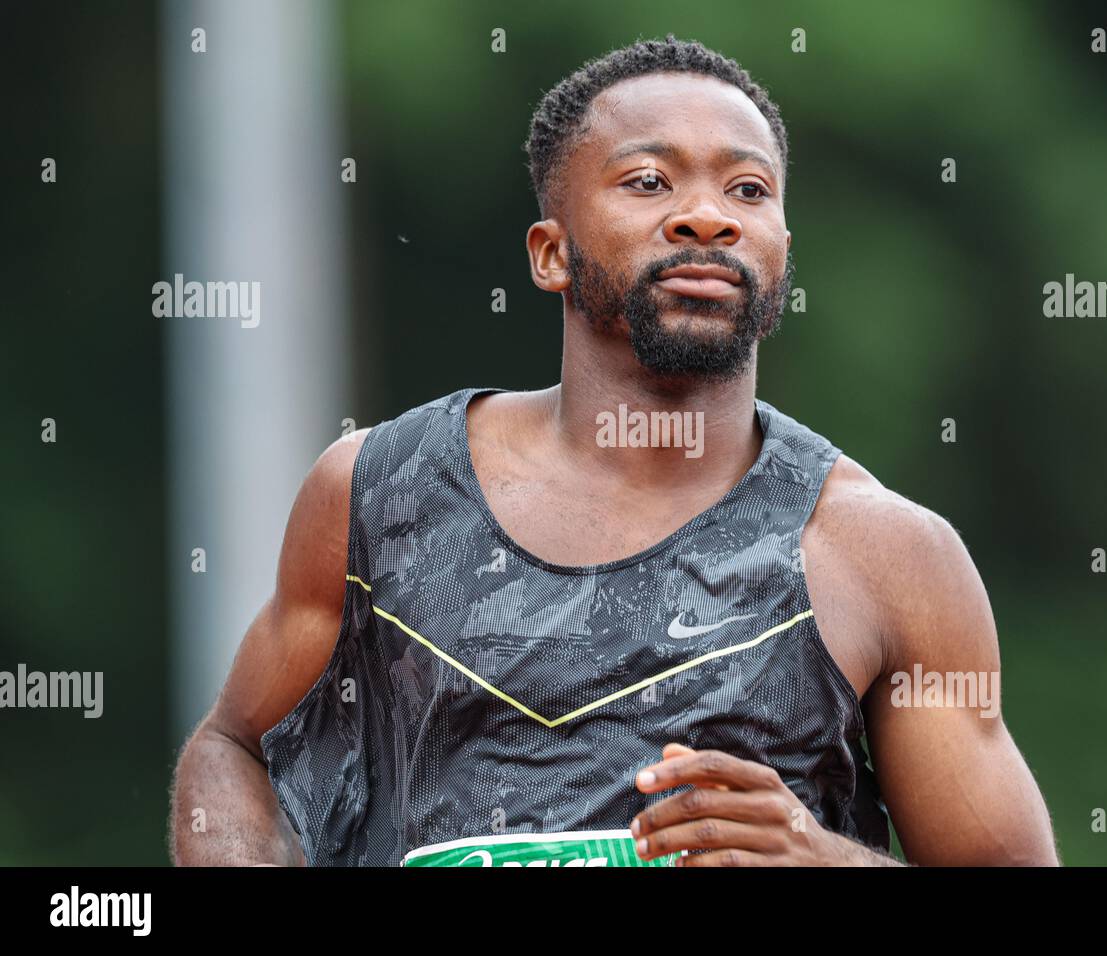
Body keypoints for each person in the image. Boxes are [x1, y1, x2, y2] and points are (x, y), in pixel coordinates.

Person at [169, 35, 1058, 867]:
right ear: (551, 254)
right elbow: (235, 748)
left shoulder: (887, 555)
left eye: (748, 191)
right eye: (648, 182)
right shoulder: (377, 490)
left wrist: (828, 860)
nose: (707, 218)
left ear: (785, 249)